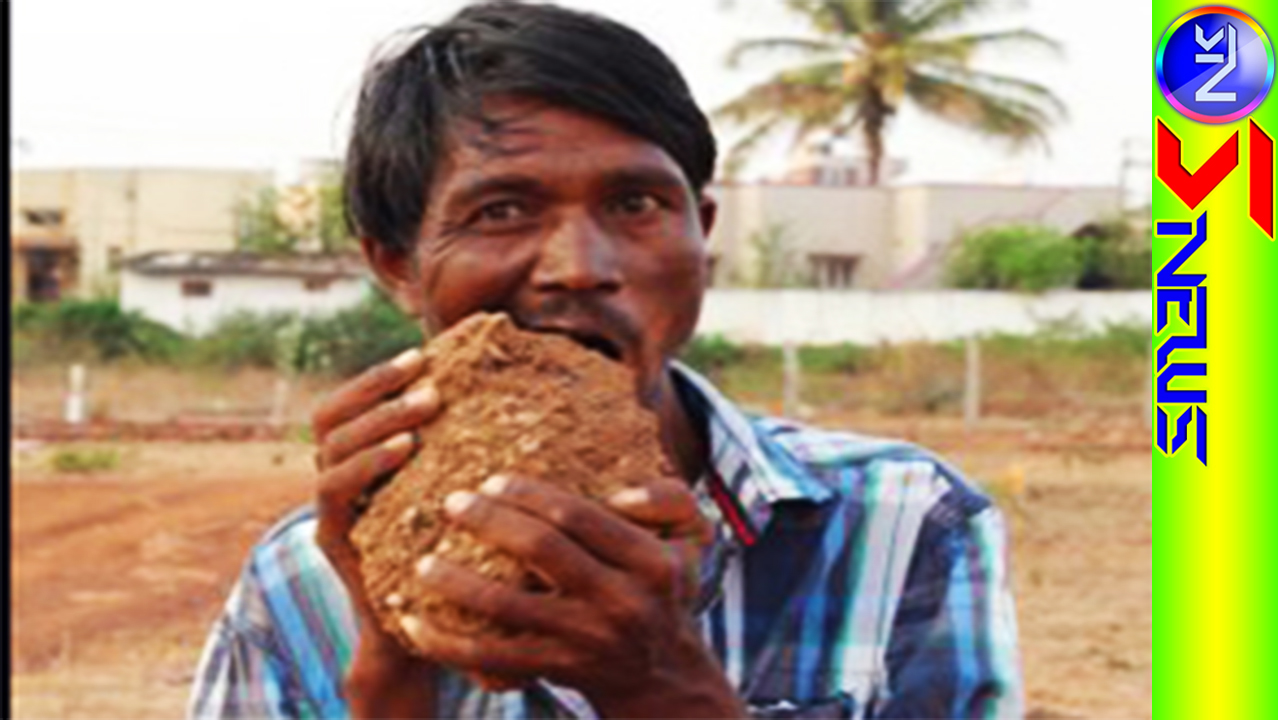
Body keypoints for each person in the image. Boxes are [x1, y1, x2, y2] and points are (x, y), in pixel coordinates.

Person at [189, 2, 1022, 718]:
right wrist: (392, 670)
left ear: (701, 233)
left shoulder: (900, 524)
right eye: (502, 209)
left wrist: (662, 685)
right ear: (397, 264)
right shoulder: (303, 582)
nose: (580, 266)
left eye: (635, 203)